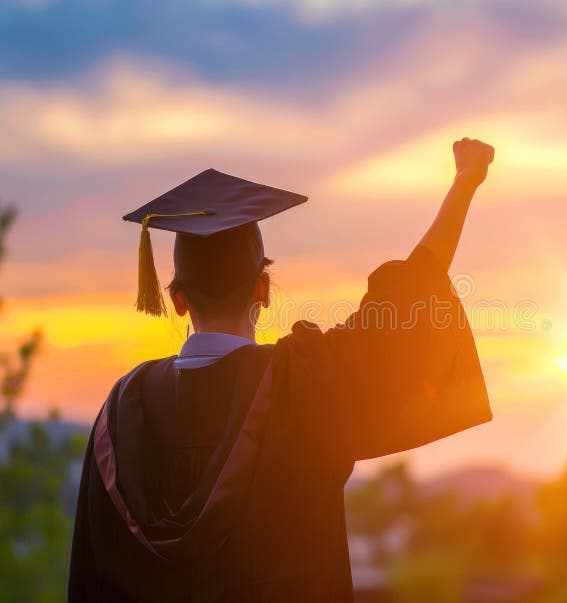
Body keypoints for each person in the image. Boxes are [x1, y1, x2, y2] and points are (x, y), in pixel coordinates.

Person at [68, 137, 495, 602]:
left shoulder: (121, 412)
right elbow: (408, 301)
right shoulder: (303, 383)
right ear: (263, 288)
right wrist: (464, 183)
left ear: (176, 299)